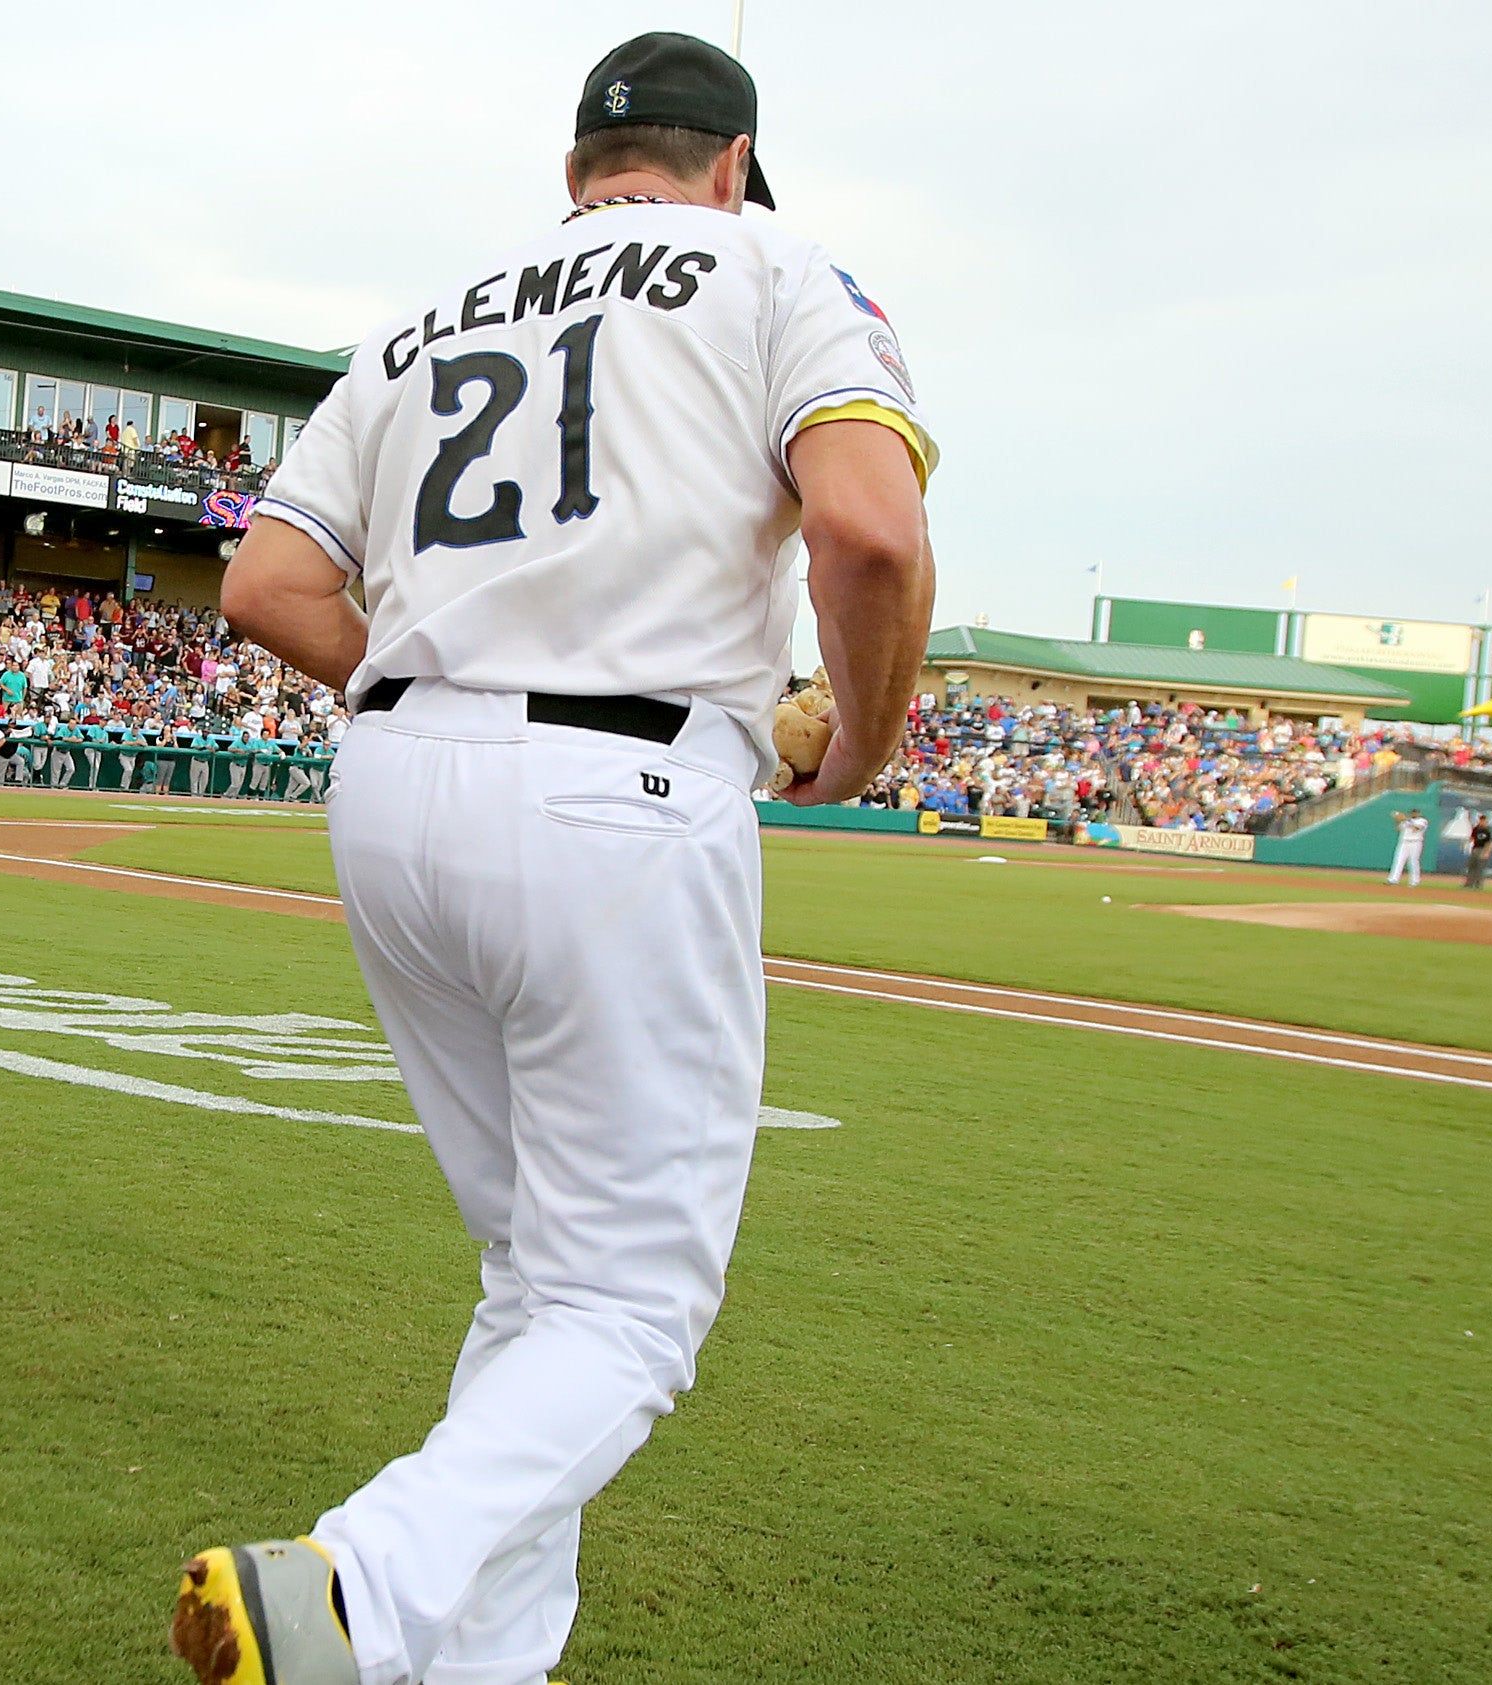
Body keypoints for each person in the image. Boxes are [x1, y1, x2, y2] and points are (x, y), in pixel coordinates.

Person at [179, 32, 937, 1685]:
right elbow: (866, 528)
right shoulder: (769, 264)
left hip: (392, 773)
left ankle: (466, 1664)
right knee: (627, 1307)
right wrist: (863, 739)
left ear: (577, 170)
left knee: (541, 1279)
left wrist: (451, 672)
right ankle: (357, 1589)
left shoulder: (432, 314)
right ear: (727, 163)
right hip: (617, 789)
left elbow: (266, 591)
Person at [1389, 806, 1429, 887]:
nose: (1414, 814)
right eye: (1413, 812)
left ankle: (1414, 881)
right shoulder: (1406, 821)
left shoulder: (1422, 821)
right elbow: (1398, 829)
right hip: (1404, 842)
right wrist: (1397, 820)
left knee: (1413, 862)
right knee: (1399, 860)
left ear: (1419, 813)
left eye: (1416, 812)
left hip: (1415, 843)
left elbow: (1417, 828)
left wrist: (1405, 819)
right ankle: (1393, 879)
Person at [1463, 807, 1492, 890]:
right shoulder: (1476, 829)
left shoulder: (1488, 830)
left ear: (1486, 821)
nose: (1481, 821)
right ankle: (1469, 884)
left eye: (1483, 820)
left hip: (1483, 849)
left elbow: (1491, 842)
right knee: (1472, 867)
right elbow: (1472, 838)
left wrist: (1487, 852)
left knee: (1480, 868)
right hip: (1475, 849)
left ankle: (1478, 885)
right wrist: (1467, 844)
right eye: (1481, 820)